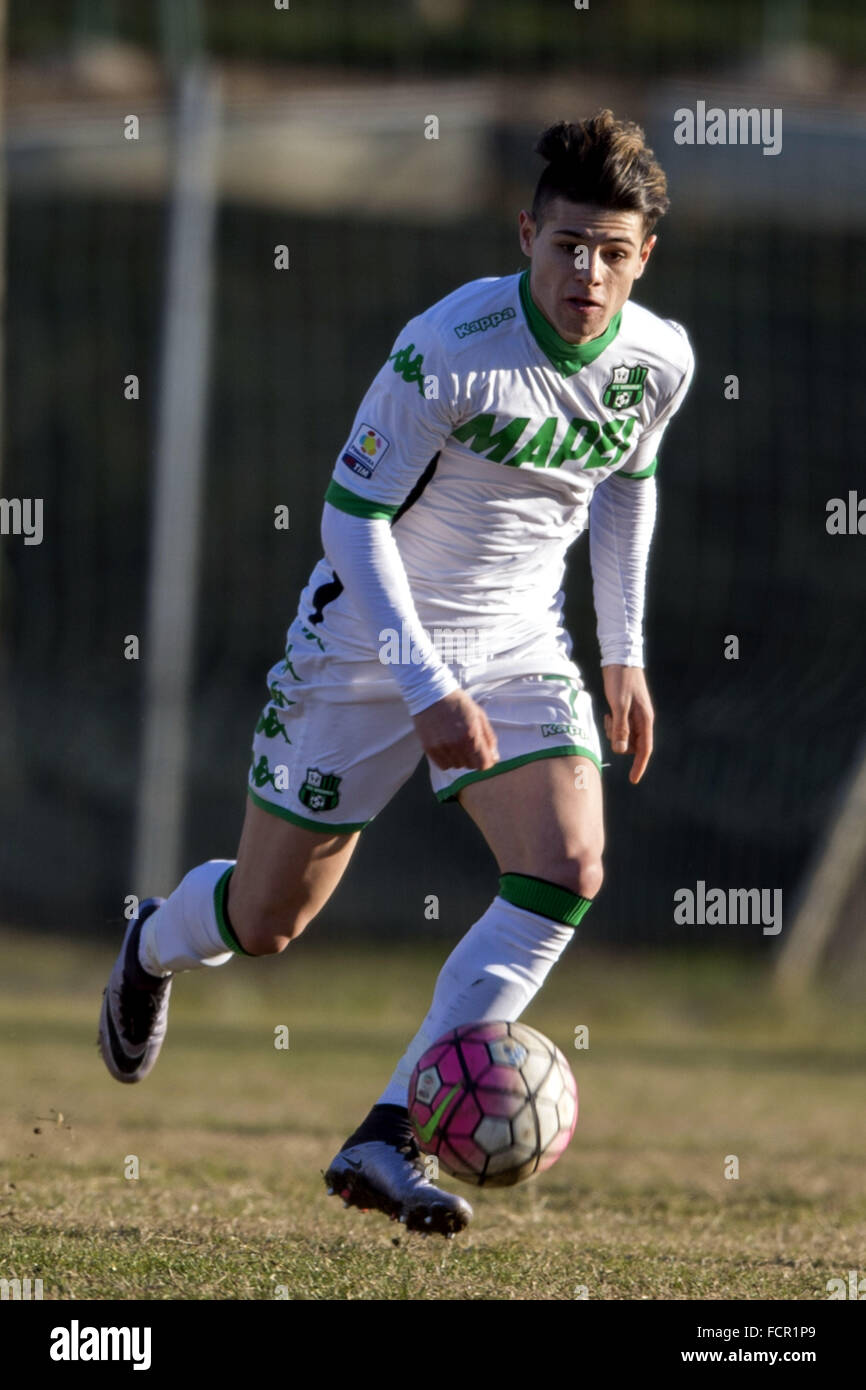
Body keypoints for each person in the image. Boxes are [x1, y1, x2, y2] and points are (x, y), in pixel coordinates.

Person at [99, 110, 694, 1239]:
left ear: (643, 257)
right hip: (366, 643)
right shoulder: (449, 345)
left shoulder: (659, 359)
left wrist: (622, 648)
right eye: (566, 244)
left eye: (611, 251)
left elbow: (625, 485)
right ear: (525, 233)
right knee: (267, 918)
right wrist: (425, 686)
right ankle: (151, 940)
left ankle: (387, 1133)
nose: (586, 271)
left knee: (567, 866)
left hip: (520, 645)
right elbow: (350, 520)